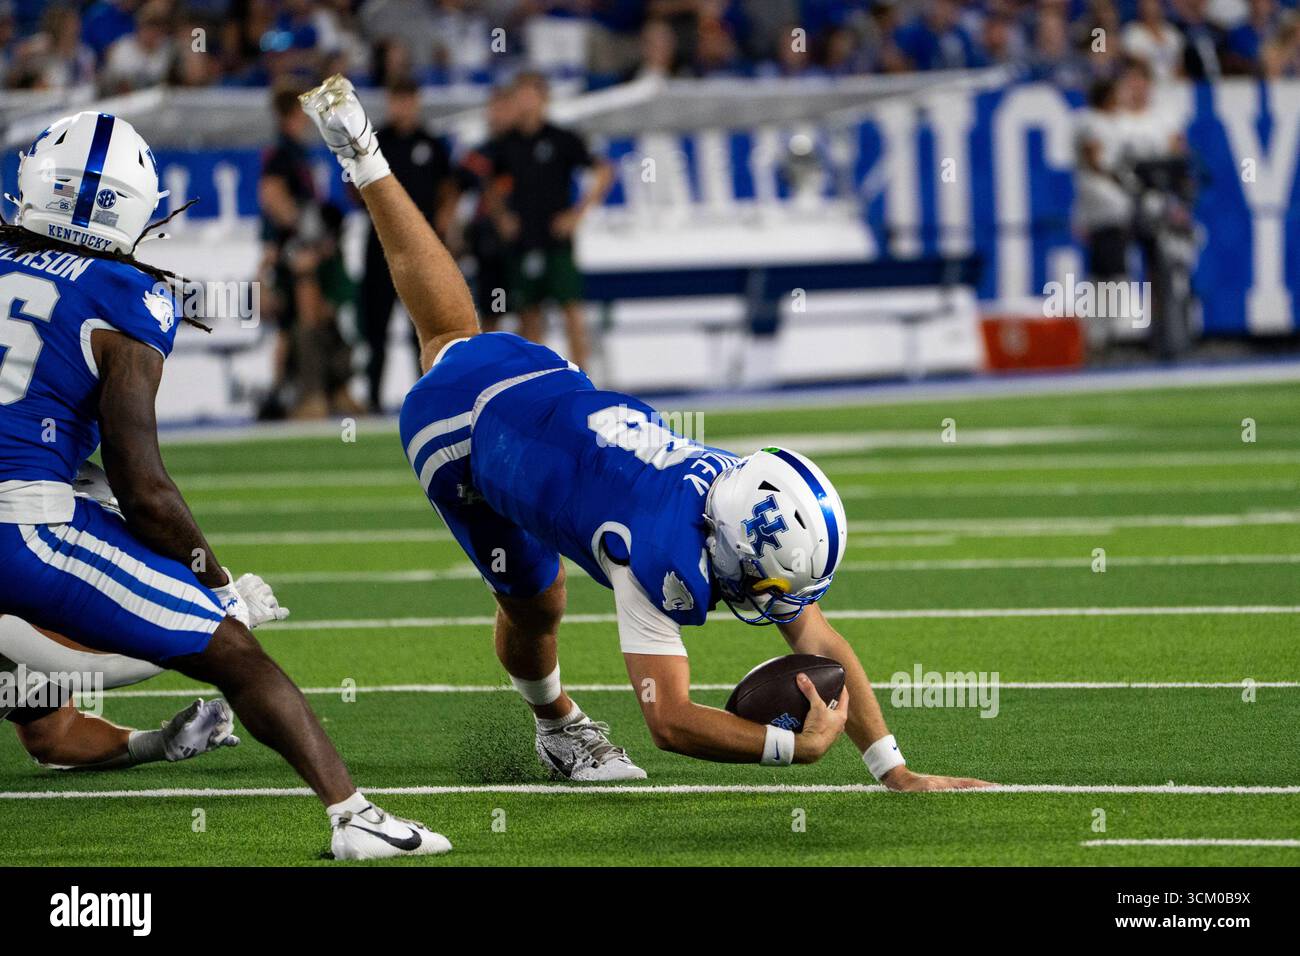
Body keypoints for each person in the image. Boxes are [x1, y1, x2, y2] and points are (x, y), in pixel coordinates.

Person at [300, 75, 991, 791]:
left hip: (545, 380)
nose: (775, 600)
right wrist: (792, 752)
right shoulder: (658, 553)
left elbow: (816, 637)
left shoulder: (741, 498)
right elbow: (669, 720)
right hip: (468, 433)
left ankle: (366, 157)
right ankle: (559, 727)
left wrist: (893, 770)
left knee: (451, 331)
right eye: (766, 580)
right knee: (537, 602)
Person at [0, 110, 447, 859]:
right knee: (232, 649)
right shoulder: (123, 293)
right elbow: (143, 487)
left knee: (33, 692)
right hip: (25, 525)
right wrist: (215, 581)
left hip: (33, 512)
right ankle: (354, 819)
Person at [481, 72, 614, 371]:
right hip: (523, 240)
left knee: (571, 309)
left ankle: (583, 379)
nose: (526, 103)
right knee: (528, 314)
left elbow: (604, 170)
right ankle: (537, 381)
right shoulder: (506, 144)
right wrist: (502, 218)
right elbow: (490, 185)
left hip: (556, 239)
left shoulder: (562, 139)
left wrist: (578, 214)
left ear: (544, 100)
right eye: (521, 95)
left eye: (531, 95)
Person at [360, 78, 455, 412]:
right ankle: (372, 398)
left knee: (427, 328)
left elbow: (448, 188)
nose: (402, 107)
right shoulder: (374, 143)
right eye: (396, 100)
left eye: (407, 99)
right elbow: (354, 190)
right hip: (382, 248)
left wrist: (443, 222)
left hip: (423, 251)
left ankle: (428, 401)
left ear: (416, 102)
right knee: (376, 327)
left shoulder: (432, 144)